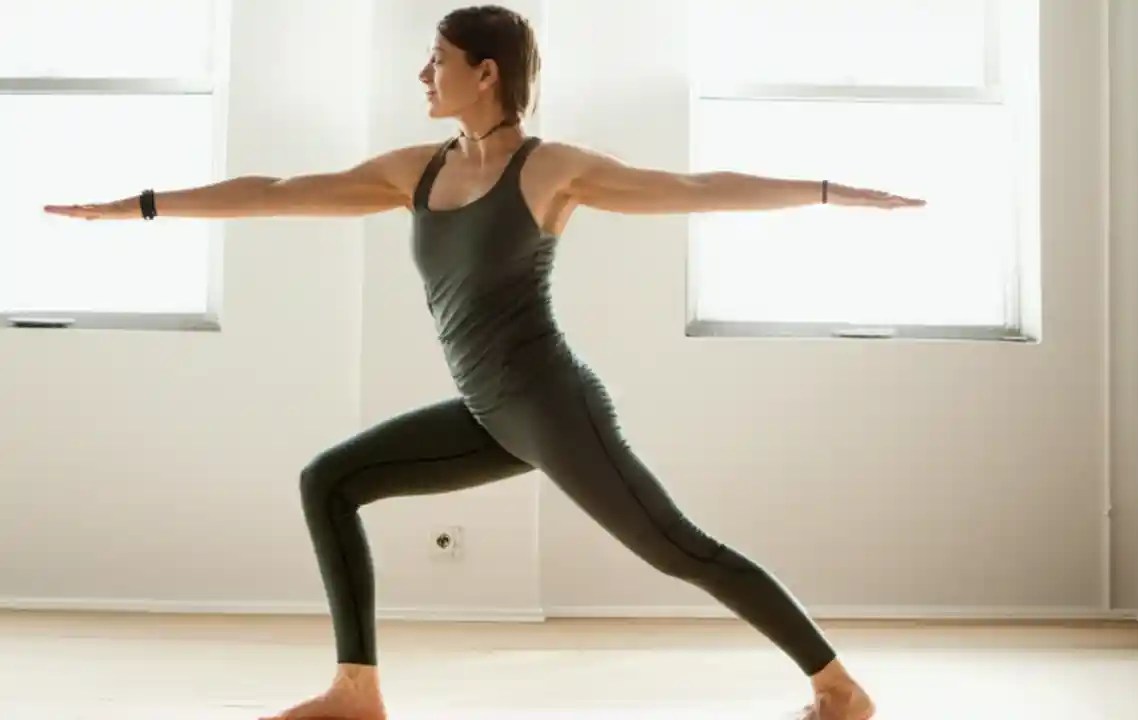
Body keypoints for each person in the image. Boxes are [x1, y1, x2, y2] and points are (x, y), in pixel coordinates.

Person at [46, 5, 923, 719]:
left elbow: (696, 190)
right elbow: (277, 194)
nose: (422, 77)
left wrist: (826, 192)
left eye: (436, 61)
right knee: (330, 480)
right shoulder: (415, 172)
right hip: (488, 411)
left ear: (486, 73)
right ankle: (357, 690)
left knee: (678, 552)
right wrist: (141, 208)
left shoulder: (551, 172)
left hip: (551, 405)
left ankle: (838, 687)